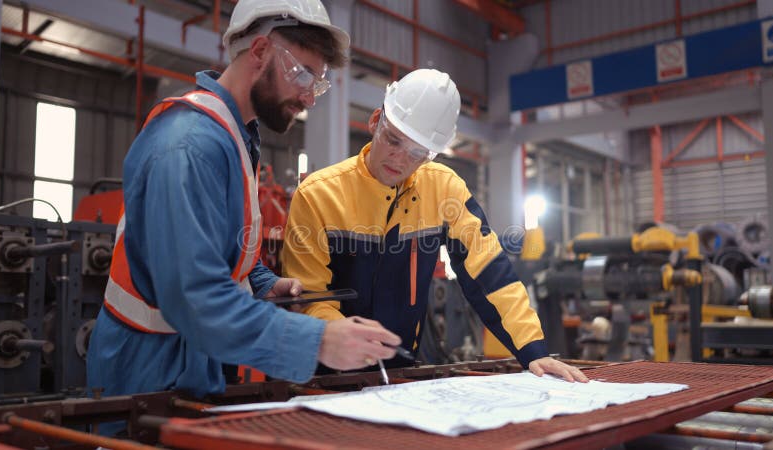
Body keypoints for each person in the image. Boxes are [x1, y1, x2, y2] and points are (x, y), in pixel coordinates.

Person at [87, 0, 400, 432]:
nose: (310, 96)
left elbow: (222, 245)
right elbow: (193, 297)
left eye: (319, 83)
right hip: (143, 377)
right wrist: (318, 341)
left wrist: (263, 284)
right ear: (259, 52)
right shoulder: (190, 145)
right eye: (305, 74)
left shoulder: (235, 135)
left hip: (188, 368)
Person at [281, 69, 588, 382]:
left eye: (418, 153)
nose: (399, 159)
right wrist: (338, 334)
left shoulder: (444, 190)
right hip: (325, 376)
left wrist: (533, 351)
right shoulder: (318, 194)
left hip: (400, 377)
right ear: (376, 121)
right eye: (393, 140)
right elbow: (309, 296)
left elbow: (491, 274)